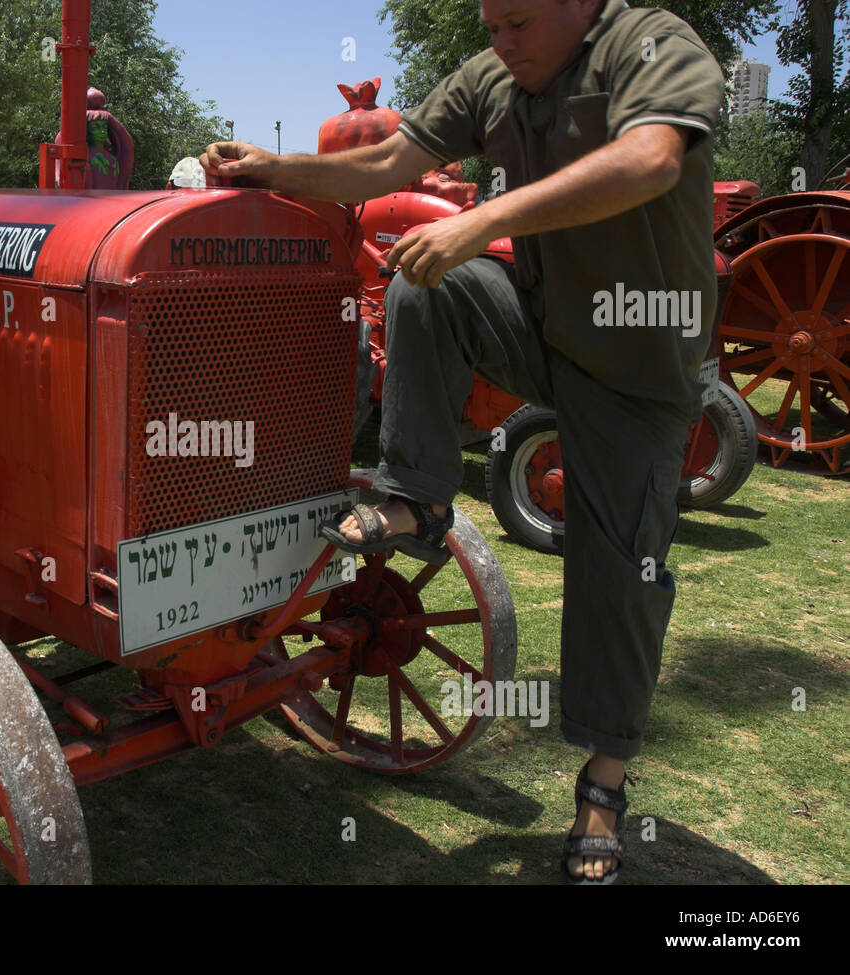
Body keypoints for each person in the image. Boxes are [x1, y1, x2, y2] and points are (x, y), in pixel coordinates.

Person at [201, 0, 723, 883]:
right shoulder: (494, 79)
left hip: (637, 361)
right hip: (552, 328)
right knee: (422, 280)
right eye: (490, 24)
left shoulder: (651, 44)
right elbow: (387, 162)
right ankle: (416, 492)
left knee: (619, 570)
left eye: (517, 22)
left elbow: (649, 160)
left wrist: (484, 220)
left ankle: (603, 783)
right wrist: (272, 167)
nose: (500, 41)